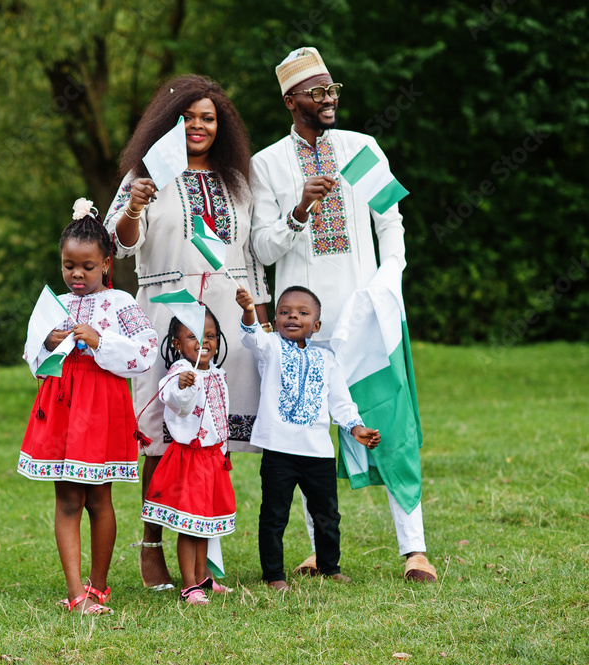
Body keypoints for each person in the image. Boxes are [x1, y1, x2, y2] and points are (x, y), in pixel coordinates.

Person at [250, 47, 437, 582]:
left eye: (332, 90)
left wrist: (388, 283)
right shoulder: (267, 164)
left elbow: (392, 224)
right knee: (308, 436)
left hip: (368, 315)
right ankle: (317, 551)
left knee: (391, 425)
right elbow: (262, 248)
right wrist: (299, 210)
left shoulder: (360, 148)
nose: (328, 99)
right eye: (317, 92)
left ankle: (415, 550)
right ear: (292, 101)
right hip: (303, 330)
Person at [105, 74, 271, 590]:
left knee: (213, 437)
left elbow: (250, 258)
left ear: (221, 127)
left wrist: (258, 323)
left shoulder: (240, 180)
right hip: (166, 314)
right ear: (169, 122)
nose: (198, 126)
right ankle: (152, 545)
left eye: (209, 118)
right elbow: (120, 241)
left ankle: (205, 553)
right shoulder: (147, 171)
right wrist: (135, 204)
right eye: (188, 117)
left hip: (228, 313)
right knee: (161, 438)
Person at [18, 199, 159, 615]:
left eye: (87, 267)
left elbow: (147, 350)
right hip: (62, 405)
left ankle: (99, 587)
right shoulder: (53, 306)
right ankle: (75, 592)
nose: (77, 275)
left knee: (100, 497)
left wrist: (101, 342)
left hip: (103, 406)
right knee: (67, 498)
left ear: (106, 263)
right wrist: (46, 342)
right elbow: (33, 357)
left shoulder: (121, 303)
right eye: (68, 266)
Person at [237, 285, 380, 590]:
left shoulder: (326, 359)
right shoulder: (271, 348)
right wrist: (249, 310)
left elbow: (340, 401)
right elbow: (252, 337)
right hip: (279, 451)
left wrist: (356, 428)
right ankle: (274, 575)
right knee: (274, 516)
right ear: (275, 320)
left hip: (318, 454)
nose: (292, 317)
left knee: (327, 515)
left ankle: (330, 567)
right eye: (285, 312)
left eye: (302, 313)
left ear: (315, 325)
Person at [141, 307, 236, 605]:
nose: (203, 342)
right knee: (190, 525)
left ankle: (203, 577)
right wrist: (183, 386)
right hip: (190, 459)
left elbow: (221, 416)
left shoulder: (217, 374)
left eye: (210, 335)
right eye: (194, 336)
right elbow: (175, 401)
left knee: (205, 523)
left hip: (212, 458)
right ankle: (188, 584)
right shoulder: (180, 373)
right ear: (177, 344)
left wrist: (223, 450)